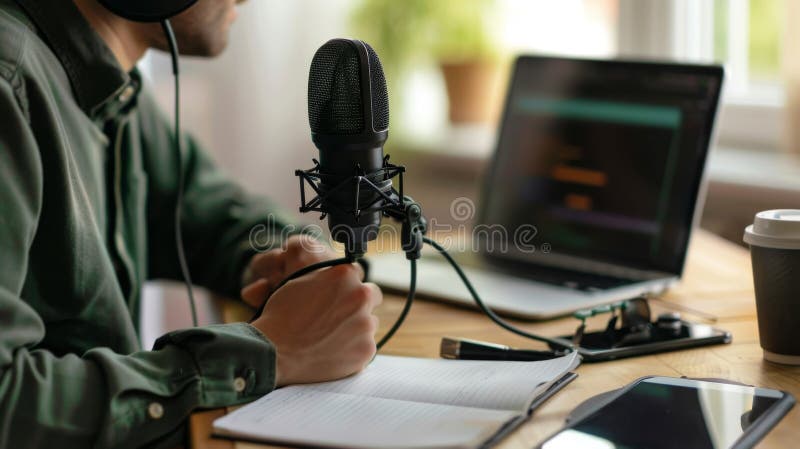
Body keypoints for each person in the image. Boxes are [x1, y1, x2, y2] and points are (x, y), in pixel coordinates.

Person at [0, 0, 383, 447]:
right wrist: (273, 352)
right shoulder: (11, 85)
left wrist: (288, 259)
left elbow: (216, 211)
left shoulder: (108, 85)